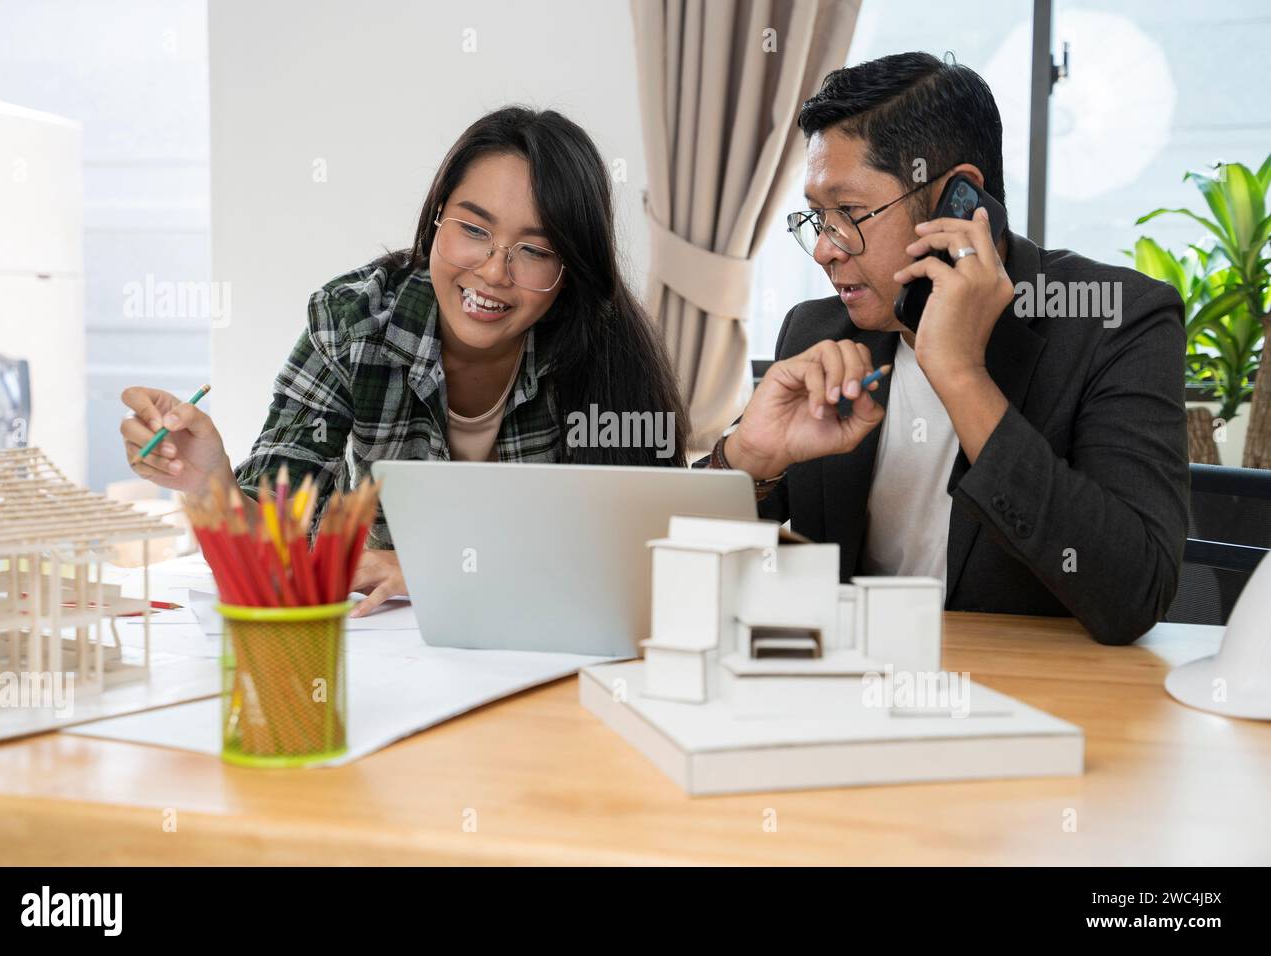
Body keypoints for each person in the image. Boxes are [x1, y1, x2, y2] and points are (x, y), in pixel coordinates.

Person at [120, 106, 688, 616]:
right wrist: (208, 482)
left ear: (571, 268)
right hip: (389, 659)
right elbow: (265, 554)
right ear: (437, 216)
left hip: (545, 660)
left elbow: (656, 555)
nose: (494, 271)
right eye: (473, 229)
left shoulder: (606, 344)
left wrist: (433, 575)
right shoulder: (352, 323)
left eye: (535, 251)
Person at [704, 52, 1188, 645]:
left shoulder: (1115, 320)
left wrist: (962, 377)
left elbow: (1133, 593)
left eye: (849, 213)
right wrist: (747, 459)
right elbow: (689, 569)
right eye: (816, 218)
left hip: (1032, 707)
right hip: (843, 699)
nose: (825, 250)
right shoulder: (818, 334)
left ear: (959, 201)